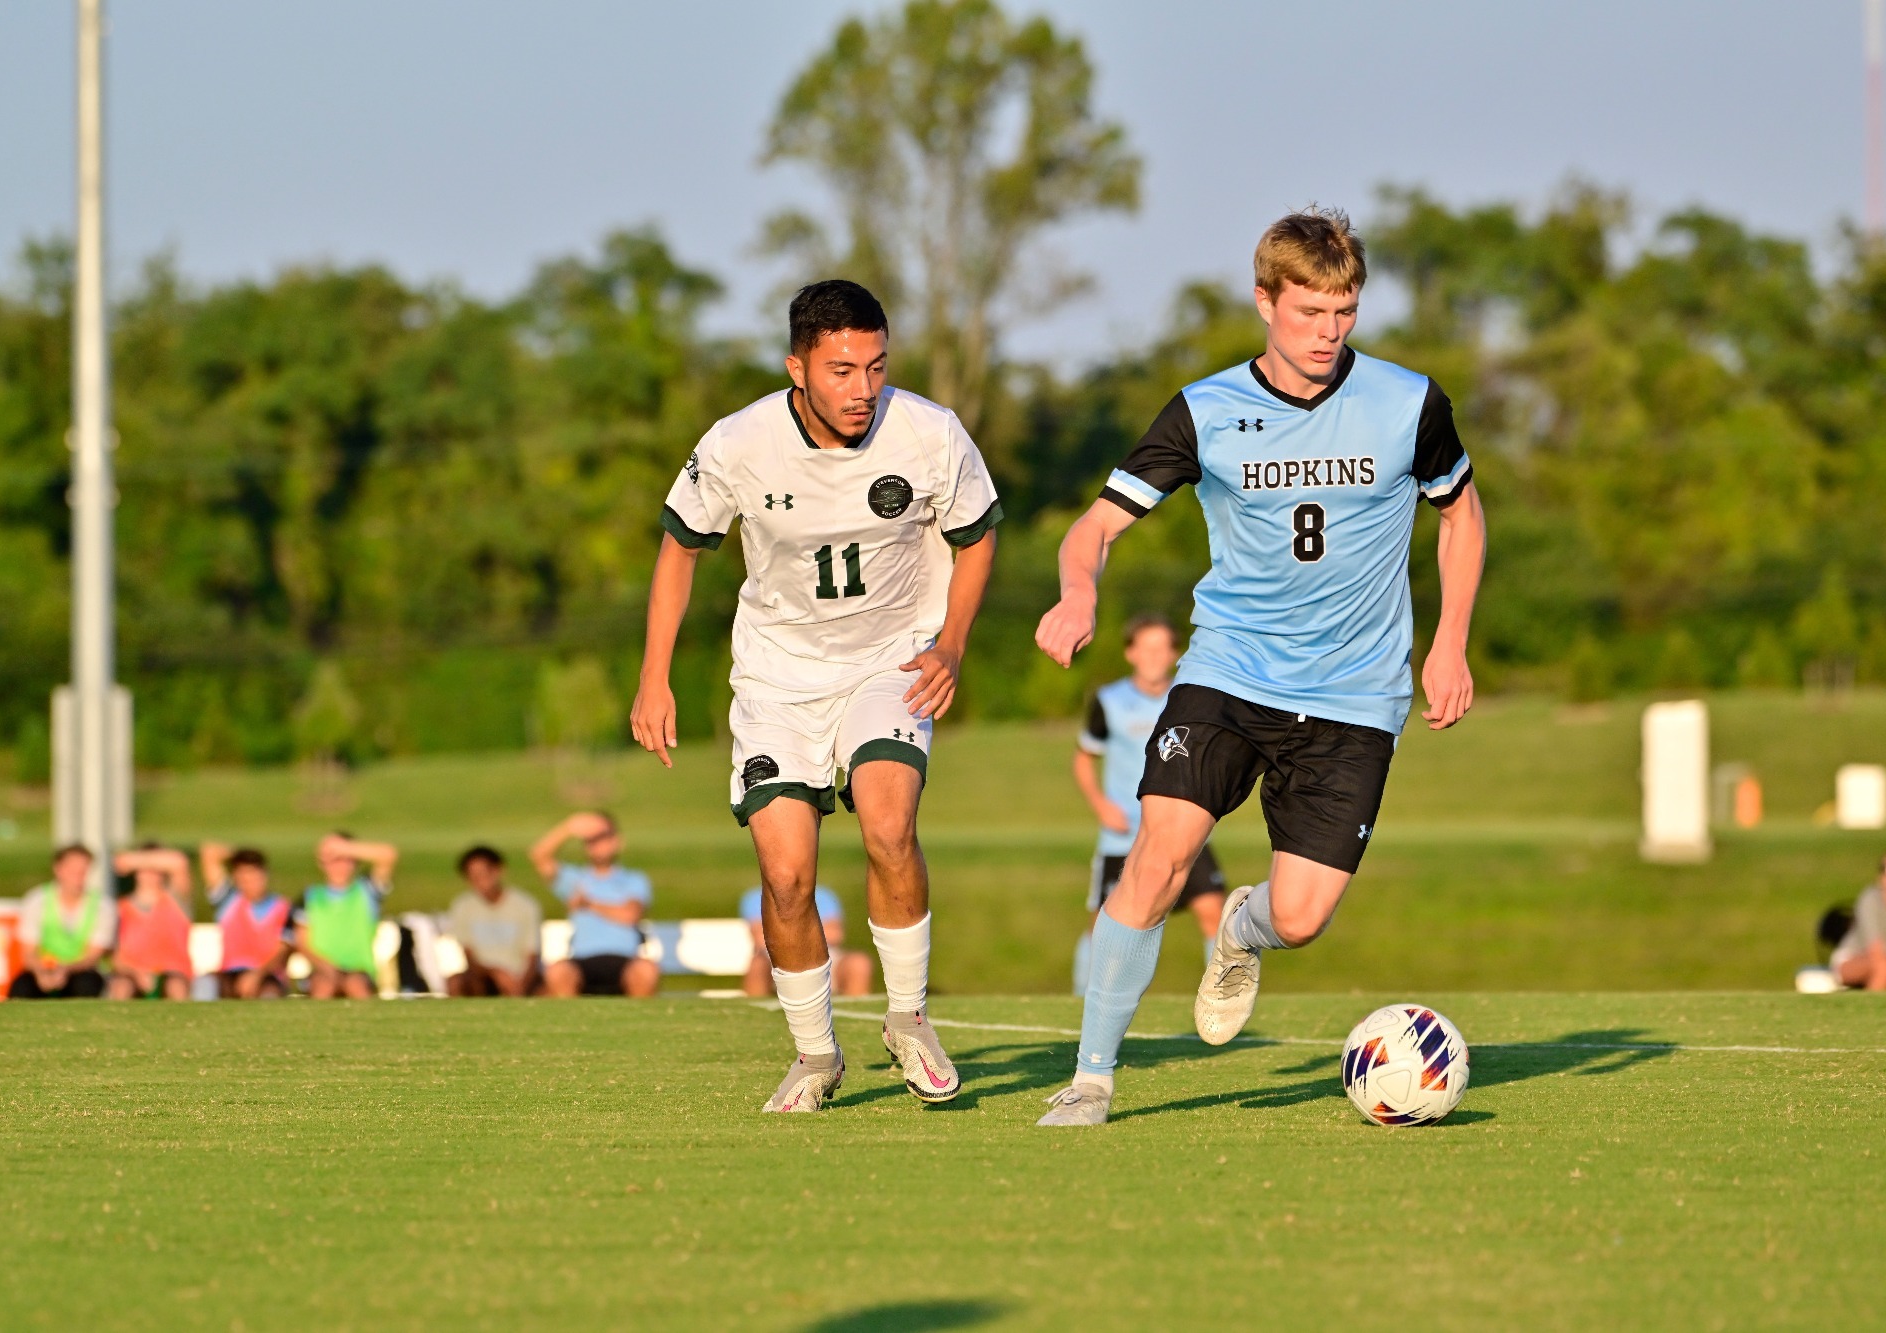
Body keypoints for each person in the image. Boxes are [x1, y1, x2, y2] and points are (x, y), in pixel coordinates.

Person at [1032, 208, 1487, 1126]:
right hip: (1231, 676)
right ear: (1265, 300)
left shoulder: (1409, 402)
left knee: (1304, 916)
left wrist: (1449, 643)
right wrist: (1078, 591)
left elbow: (1461, 515)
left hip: (1357, 694)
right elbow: (1096, 526)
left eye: (1344, 312)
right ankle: (1090, 1078)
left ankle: (1241, 927)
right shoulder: (1203, 410)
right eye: (1309, 310)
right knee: (1159, 854)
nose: (1328, 333)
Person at [631, 279, 1001, 1112]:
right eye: (841, 370)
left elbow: (976, 540)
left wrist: (950, 643)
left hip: (891, 663)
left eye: (876, 366)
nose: (863, 389)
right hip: (777, 678)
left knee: (889, 822)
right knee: (787, 872)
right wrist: (654, 677)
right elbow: (679, 549)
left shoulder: (930, 432)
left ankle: (908, 1018)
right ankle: (814, 1055)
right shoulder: (738, 443)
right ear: (797, 367)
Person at [1071, 612, 1226, 994]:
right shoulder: (1109, 701)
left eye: (1163, 647)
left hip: (1183, 829)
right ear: (1131, 653)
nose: (1155, 656)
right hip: (1124, 835)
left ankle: (1220, 1001)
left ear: (1175, 653)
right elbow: (1083, 758)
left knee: (1214, 913)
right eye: (1147, 647)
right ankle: (1080, 1000)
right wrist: (1101, 805)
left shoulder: (1191, 699)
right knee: (1105, 926)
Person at [531, 812, 659, 998]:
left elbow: (630, 915)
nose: (597, 845)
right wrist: (570, 827)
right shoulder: (575, 879)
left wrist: (589, 905)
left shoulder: (633, 879)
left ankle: (639, 1024)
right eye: (591, 839)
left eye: (603, 837)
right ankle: (569, 1025)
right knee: (557, 971)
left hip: (624, 961)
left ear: (617, 841)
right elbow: (539, 856)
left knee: (646, 970)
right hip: (582, 961)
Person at [292, 833, 397, 999]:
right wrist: (327, 968)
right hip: (321, 969)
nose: (339, 866)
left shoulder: (367, 890)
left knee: (356, 986)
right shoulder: (310, 896)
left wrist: (344, 848)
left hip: (358, 968)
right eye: (334, 860)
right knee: (324, 987)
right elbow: (301, 942)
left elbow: (388, 855)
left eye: (346, 860)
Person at [8, 844, 113, 999]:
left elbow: (92, 956)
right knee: (22, 987)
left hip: (80, 971)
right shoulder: (36, 900)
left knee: (86, 984)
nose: (78, 877)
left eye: (83, 871)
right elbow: (28, 954)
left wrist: (66, 969)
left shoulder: (102, 906)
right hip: (43, 969)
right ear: (58, 869)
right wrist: (41, 972)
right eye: (73, 871)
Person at [739, 883, 874, 998]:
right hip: (774, 960)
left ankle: (855, 1013)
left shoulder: (823, 895)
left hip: (825, 957)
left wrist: (786, 934)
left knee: (859, 963)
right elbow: (760, 939)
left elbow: (835, 934)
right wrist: (811, 931)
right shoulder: (758, 897)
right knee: (757, 964)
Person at [444, 845, 544, 997]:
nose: (479, 881)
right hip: (482, 977)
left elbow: (532, 955)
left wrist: (520, 986)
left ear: (498, 871)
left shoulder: (525, 905)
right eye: (473, 876)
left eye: (483, 874)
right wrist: (494, 972)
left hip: (520, 976)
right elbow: (469, 957)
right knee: (455, 982)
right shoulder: (462, 906)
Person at [202, 842, 293, 999]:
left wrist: (257, 974)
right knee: (204, 984)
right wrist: (238, 854)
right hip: (229, 973)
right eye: (243, 876)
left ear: (264, 875)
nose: (249, 882)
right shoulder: (228, 901)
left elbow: (283, 949)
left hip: (267, 975)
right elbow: (209, 852)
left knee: (269, 995)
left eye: (253, 875)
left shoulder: (283, 907)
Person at [108, 846, 196, 1001]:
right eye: (145, 869)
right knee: (121, 987)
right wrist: (137, 972)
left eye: (155, 869)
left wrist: (133, 861)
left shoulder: (176, 900)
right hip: (132, 972)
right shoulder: (121, 907)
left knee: (176, 987)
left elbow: (179, 863)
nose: (150, 874)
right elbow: (116, 958)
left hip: (173, 972)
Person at [1831, 851, 1886, 989]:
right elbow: (1875, 950)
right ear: (1881, 876)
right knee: (1883, 967)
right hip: (1854, 958)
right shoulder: (1870, 900)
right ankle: (1874, 1009)